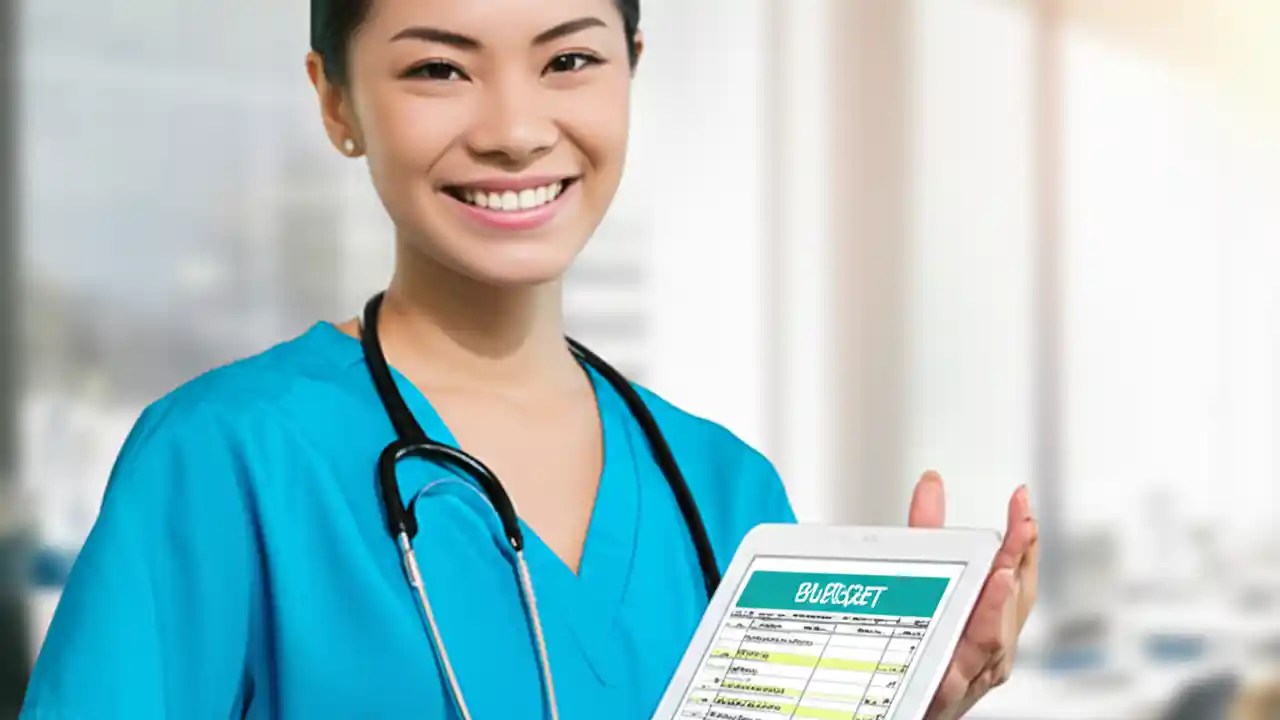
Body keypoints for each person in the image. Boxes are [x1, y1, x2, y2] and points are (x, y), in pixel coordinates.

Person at [20, 1, 1040, 718]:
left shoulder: (724, 490)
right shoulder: (224, 459)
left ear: (631, 66)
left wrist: (912, 707)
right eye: (437, 68)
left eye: (568, 60)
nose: (514, 130)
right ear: (335, 103)